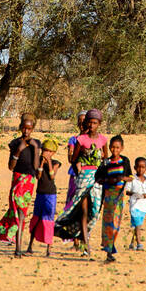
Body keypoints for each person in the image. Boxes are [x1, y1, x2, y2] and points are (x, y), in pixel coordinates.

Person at [55, 108, 108, 256]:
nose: (91, 125)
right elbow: (73, 159)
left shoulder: (103, 140)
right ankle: (85, 244)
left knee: (95, 211)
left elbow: (105, 160)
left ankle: (81, 237)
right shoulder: (80, 140)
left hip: (97, 179)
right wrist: (80, 161)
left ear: (99, 124)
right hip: (84, 176)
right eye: (89, 122)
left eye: (95, 123)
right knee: (83, 211)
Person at [0, 113, 43, 256]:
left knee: (22, 212)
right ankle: (17, 246)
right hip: (17, 180)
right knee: (16, 210)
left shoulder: (36, 143)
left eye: (29, 129)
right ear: (20, 127)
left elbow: (35, 167)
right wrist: (19, 150)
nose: (26, 131)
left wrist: (35, 150)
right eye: (24, 128)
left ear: (33, 129)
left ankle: (18, 247)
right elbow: (11, 166)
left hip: (29, 182)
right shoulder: (15, 143)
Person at [96, 135, 130, 262]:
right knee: (108, 223)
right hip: (109, 195)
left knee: (116, 223)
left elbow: (130, 176)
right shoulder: (106, 162)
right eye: (113, 147)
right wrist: (109, 180)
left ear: (122, 148)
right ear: (109, 148)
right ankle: (108, 250)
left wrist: (121, 179)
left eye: (117, 147)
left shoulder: (125, 161)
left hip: (119, 196)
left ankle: (111, 246)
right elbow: (98, 178)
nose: (115, 150)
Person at [27, 137, 61, 257]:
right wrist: (42, 163)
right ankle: (30, 245)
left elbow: (52, 176)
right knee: (36, 219)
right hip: (40, 193)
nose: (45, 153)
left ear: (53, 153)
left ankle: (49, 248)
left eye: (48, 151)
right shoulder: (38, 161)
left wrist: (49, 162)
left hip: (50, 195)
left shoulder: (56, 163)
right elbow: (38, 175)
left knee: (48, 220)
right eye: (44, 150)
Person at [125, 157, 146, 250]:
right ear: (135, 167)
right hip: (134, 206)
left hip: (143, 207)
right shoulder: (132, 179)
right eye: (138, 167)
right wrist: (134, 193)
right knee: (138, 224)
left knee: (137, 225)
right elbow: (127, 191)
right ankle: (139, 243)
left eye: (143, 167)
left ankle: (132, 243)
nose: (141, 169)